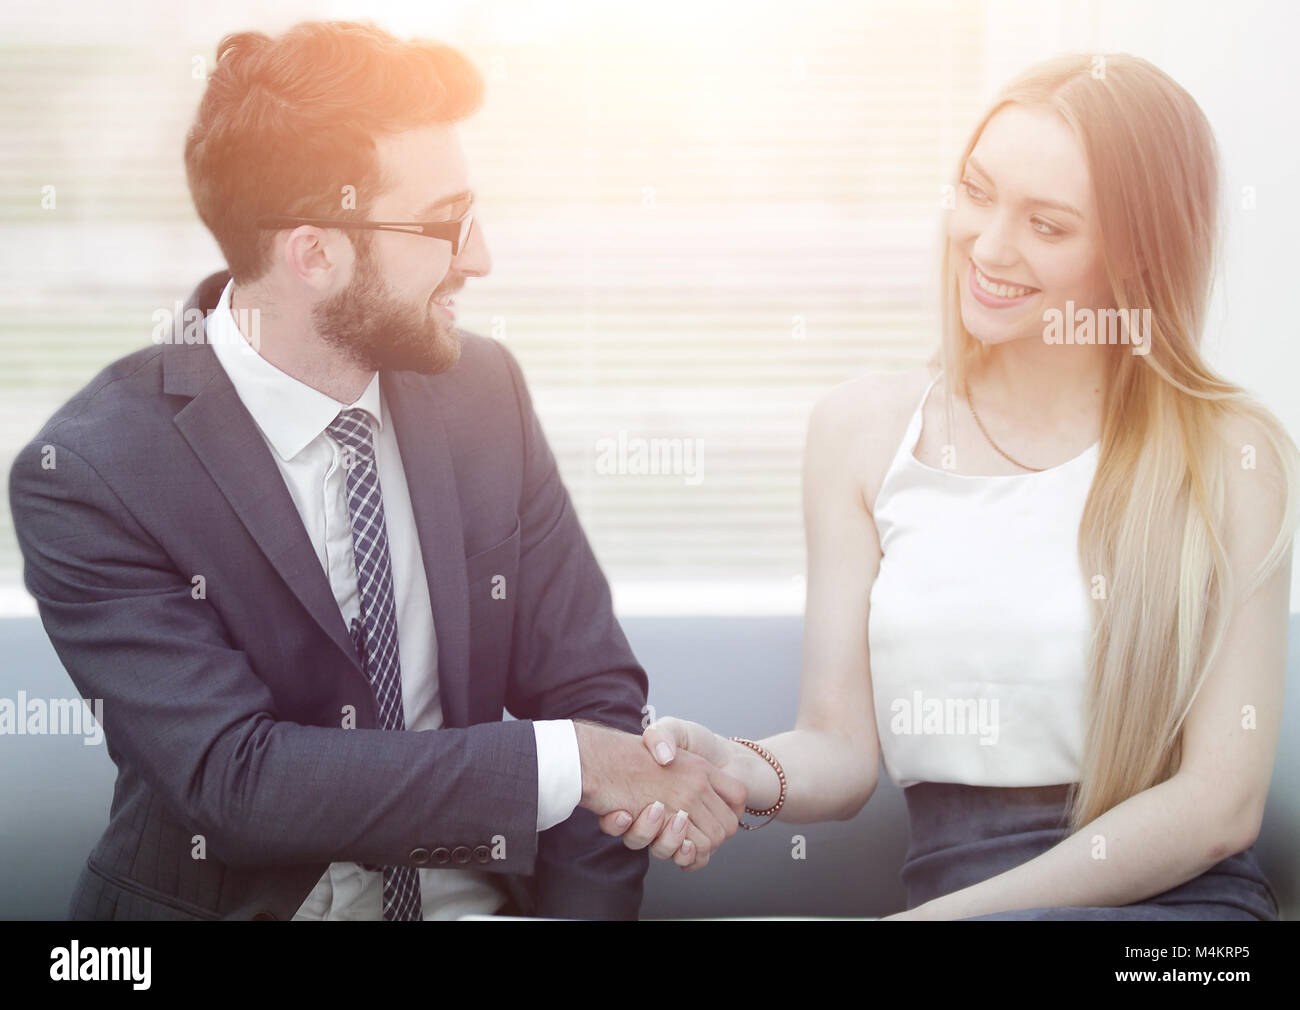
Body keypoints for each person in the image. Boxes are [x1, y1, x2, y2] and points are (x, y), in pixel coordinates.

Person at [7, 20, 744, 922]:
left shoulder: (483, 395)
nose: (479, 257)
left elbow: (592, 692)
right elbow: (236, 782)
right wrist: (572, 763)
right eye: (446, 223)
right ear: (314, 254)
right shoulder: (93, 472)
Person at [602, 52, 1299, 919]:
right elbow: (842, 749)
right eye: (976, 192)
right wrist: (738, 767)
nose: (989, 244)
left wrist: (946, 920)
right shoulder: (860, 433)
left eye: (1048, 225)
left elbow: (1218, 811)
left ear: (1135, 254)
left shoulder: (1229, 455)